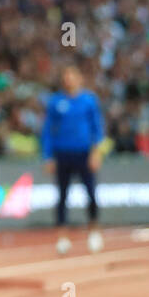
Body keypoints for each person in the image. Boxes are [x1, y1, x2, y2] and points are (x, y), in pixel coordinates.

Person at [42, 64, 105, 254]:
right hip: (62, 154)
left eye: (72, 75)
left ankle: (94, 232)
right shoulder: (55, 101)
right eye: (65, 75)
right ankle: (62, 237)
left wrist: (96, 152)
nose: (68, 79)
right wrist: (48, 156)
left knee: (91, 194)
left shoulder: (89, 101)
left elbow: (97, 128)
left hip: (84, 154)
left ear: (80, 78)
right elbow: (47, 131)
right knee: (62, 196)